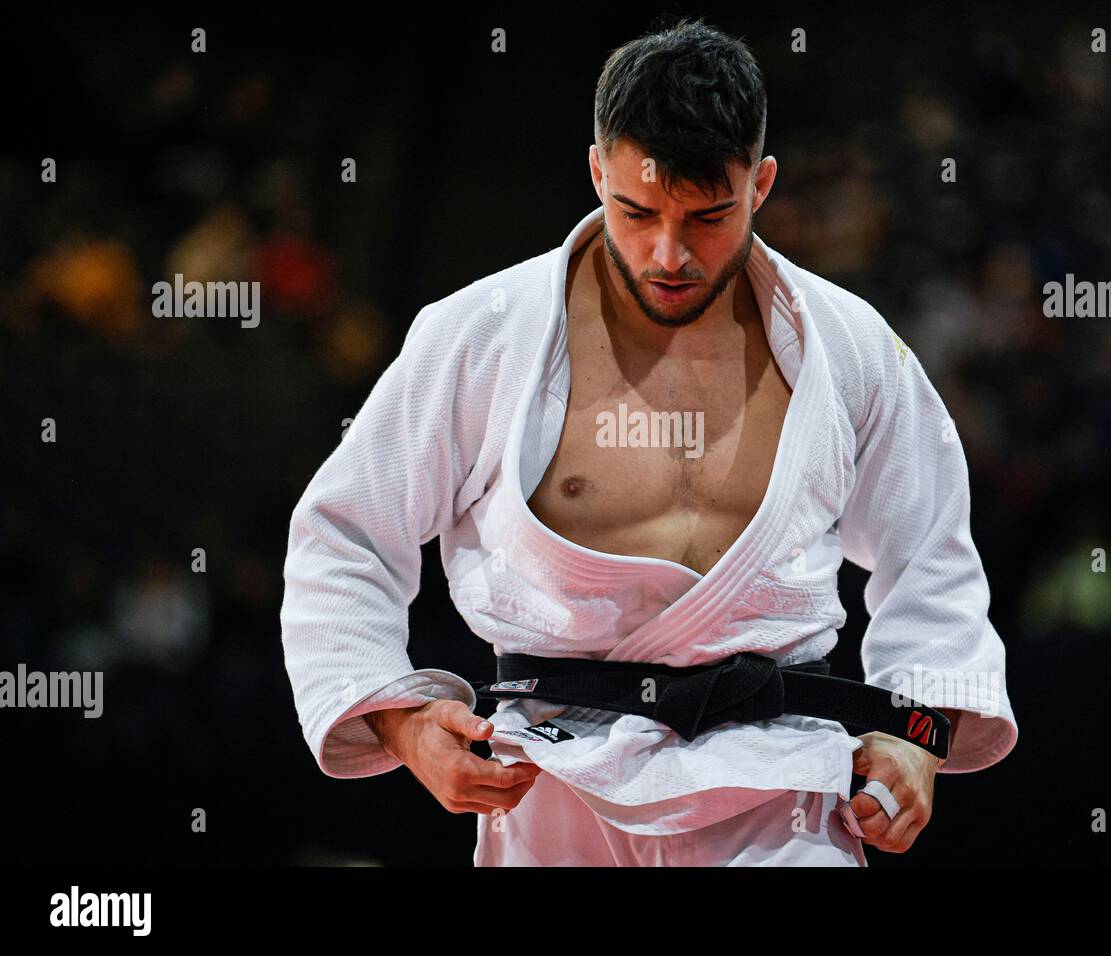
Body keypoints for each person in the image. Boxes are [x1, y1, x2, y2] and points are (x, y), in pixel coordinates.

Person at [280, 18, 1017, 866]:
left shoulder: (850, 346)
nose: (669, 253)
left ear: (762, 185)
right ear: (596, 170)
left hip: (778, 790)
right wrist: (401, 721)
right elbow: (343, 535)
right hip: (552, 784)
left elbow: (933, 559)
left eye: (708, 217)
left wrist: (917, 733)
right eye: (636, 210)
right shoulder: (478, 335)